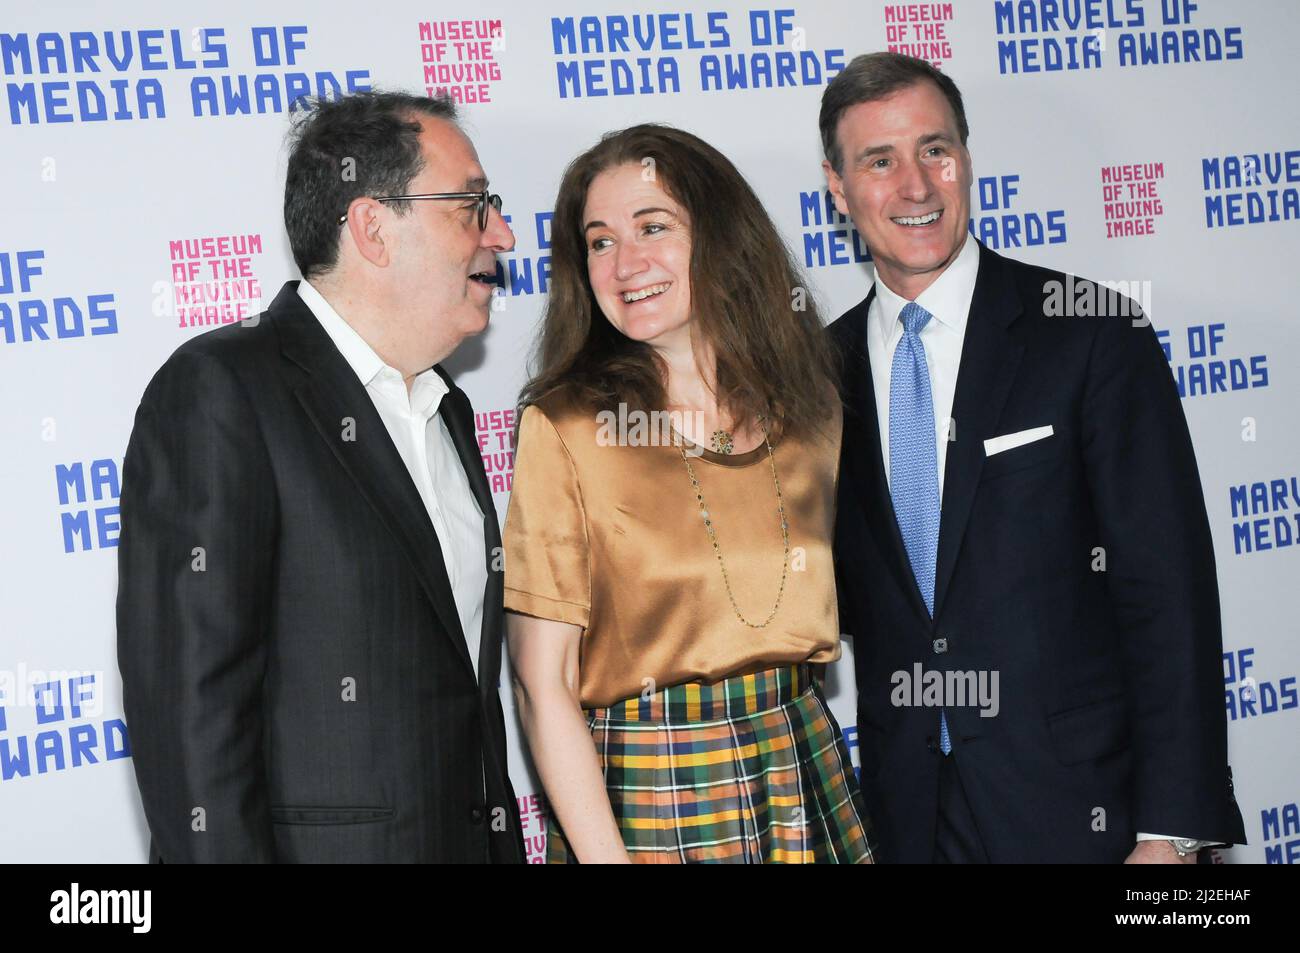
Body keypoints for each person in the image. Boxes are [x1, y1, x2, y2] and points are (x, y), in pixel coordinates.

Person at [821, 52, 1246, 863]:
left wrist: (1171, 833)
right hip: (906, 821)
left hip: (1088, 817)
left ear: (968, 161)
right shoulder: (812, 375)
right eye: (880, 161)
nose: (916, 185)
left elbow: (1169, 596)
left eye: (935, 150)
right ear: (837, 189)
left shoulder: (1087, 334)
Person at [116, 90, 525, 863]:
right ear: (373, 227)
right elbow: (191, 722)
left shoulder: (448, 408)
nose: (501, 233)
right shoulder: (223, 391)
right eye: (473, 205)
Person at [503, 124, 875, 864]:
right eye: (599, 241)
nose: (625, 262)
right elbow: (542, 688)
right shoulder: (568, 428)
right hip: (651, 794)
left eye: (653, 227)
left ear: (722, 237)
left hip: (806, 763)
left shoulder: (816, 411)